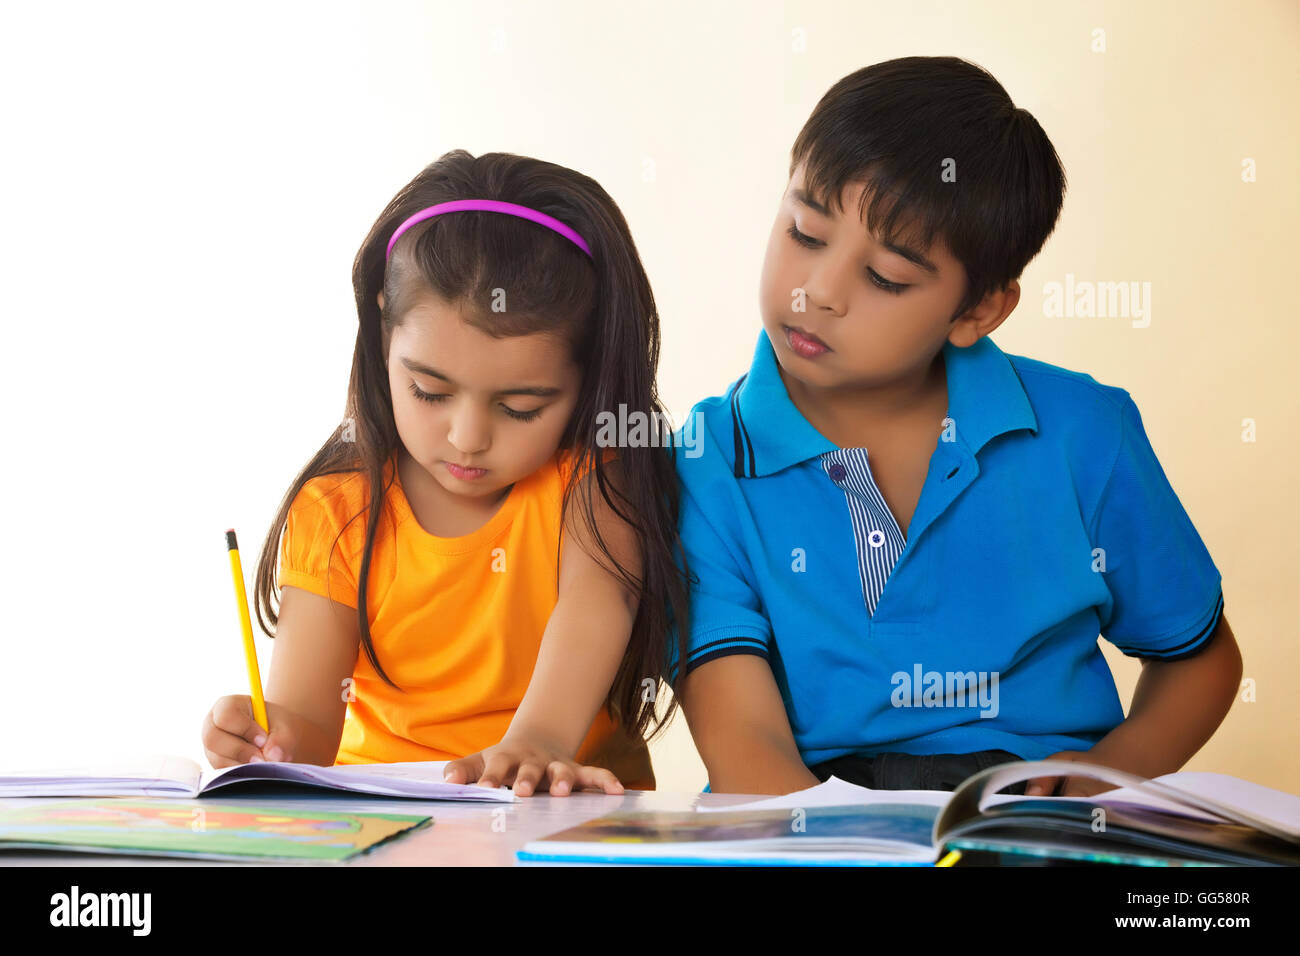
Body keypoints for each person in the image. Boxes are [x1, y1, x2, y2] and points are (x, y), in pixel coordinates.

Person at [668, 57, 1242, 797]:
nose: (818, 293)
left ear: (978, 311)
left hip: (1038, 817)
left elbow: (1200, 658)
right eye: (806, 233)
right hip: (818, 816)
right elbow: (744, 746)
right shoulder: (706, 461)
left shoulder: (1085, 435)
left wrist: (1102, 782)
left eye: (886, 279)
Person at [200, 150, 690, 796]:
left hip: (561, 818)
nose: (467, 438)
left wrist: (537, 743)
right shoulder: (336, 507)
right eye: (430, 392)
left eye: (521, 407)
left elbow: (596, 606)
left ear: (587, 377)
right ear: (382, 335)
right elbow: (310, 731)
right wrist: (265, 738)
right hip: (383, 823)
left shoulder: (595, 481)